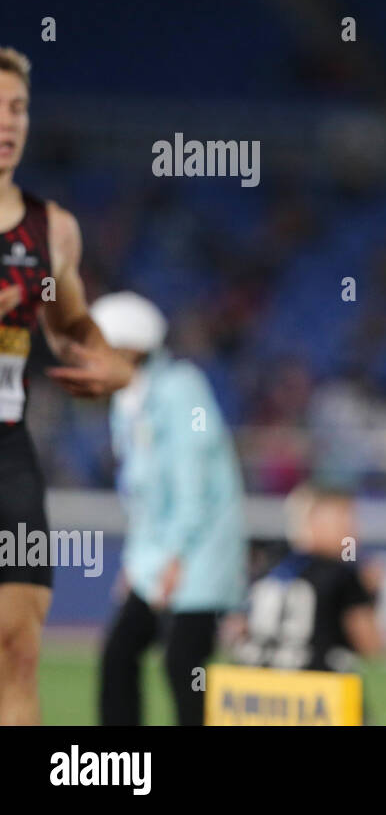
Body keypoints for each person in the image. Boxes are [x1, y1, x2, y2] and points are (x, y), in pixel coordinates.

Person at [0, 47, 133, 725]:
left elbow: (70, 325)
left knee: (18, 644)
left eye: (18, 108)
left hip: (8, 453)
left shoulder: (52, 231)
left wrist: (108, 361)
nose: (7, 122)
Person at [92, 292, 247, 726]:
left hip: (199, 558)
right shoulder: (128, 402)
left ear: (129, 349)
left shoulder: (181, 389)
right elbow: (142, 495)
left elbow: (192, 483)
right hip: (155, 558)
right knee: (119, 654)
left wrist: (175, 555)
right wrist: (137, 561)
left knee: (184, 664)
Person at [230, 481, 381, 674]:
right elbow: (371, 647)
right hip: (313, 685)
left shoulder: (268, 567)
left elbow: (236, 630)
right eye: (344, 518)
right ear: (313, 521)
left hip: (252, 682)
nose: (353, 529)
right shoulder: (341, 573)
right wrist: (371, 594)